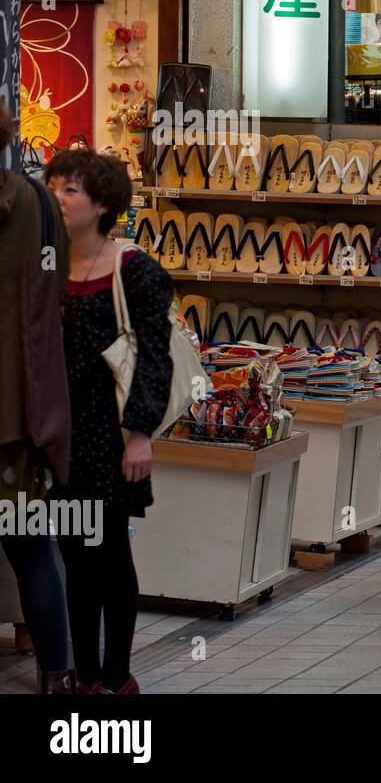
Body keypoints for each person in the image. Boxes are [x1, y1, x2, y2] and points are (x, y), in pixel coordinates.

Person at [46, 149, 175, 695]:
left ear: (101, 205)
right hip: (60, 435)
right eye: (53, 186)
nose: (58, 197)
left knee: (110, 556)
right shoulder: (48, 265)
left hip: (113, 435)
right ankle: (87, 676)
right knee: (75, 557)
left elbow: (154, 354)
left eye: (70, 190)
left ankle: (118, 677)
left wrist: (141, 433)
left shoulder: (132, 268)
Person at [0, 104, 73, 693]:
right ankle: (57, 672)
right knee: (31, 547)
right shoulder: (40, 204)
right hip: (21, 411)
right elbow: (59, 285)